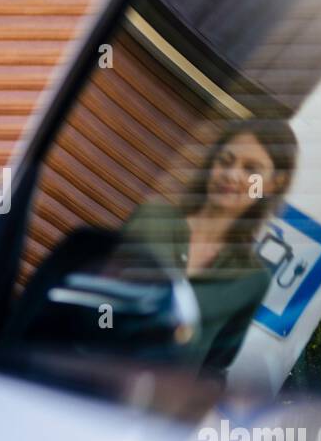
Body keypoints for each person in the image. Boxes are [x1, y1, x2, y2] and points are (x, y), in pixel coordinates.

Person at [97, 117, 298, 384]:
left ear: (273, 184)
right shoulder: (152, 218)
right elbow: (101, 299)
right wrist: (98, 340)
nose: (231, 175)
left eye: (252, 170)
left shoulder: (252, 280)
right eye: (225, 161)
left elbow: (212, 370)